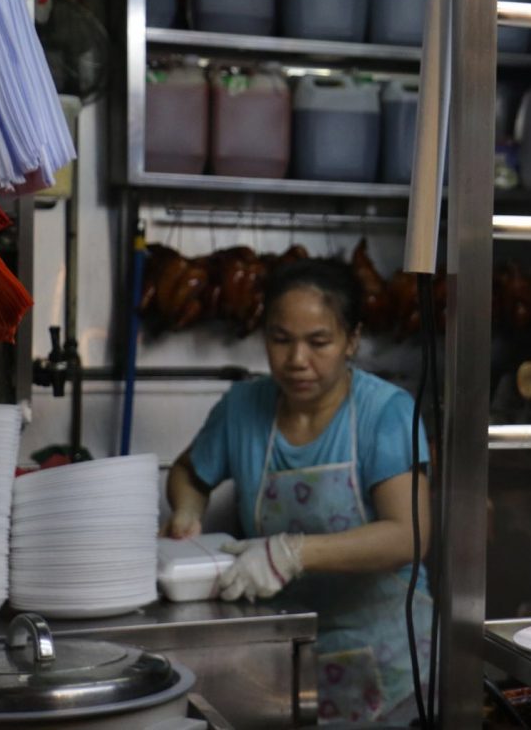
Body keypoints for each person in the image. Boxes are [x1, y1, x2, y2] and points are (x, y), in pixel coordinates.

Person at [163, 258, 431, 725]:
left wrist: (291, 553)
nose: (297, 360)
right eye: (280, 339)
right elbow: (188, 471)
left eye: (319, 342)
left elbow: (409, 535)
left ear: (352, 339)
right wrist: (188, 509)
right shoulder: (243, 408)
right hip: (278, 663)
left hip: (391, 667)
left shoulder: (386, 412)